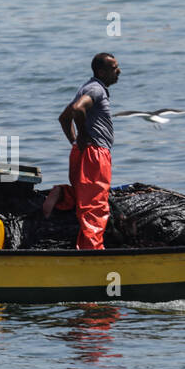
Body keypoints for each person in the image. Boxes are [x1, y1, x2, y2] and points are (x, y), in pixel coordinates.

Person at [58, 53, 120, 250]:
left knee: (84, 203)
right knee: (95, 206)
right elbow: (77, 109)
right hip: (95, 154)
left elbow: (64, 118)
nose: (118, 72)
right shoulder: (96, 89)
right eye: (114, 68)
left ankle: (84, 247)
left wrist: (76, 142)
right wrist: (83, 135)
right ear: (101, 72)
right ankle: (93, 253)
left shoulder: (87, 87)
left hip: (82, 152)